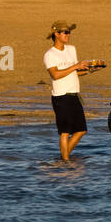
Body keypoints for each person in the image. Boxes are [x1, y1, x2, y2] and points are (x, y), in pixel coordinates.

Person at [44, 20, 102, 160]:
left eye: (69, 32)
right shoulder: (50, 54)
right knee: (65, 132)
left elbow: (74, 72)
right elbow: (55, 75)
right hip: (60, 96)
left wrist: (90, 71)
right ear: (56, 34)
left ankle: (64, 158)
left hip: (74, 94)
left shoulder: (71, 49)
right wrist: (75, 66)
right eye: (65, 32)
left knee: (81, 130)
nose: (68, 35)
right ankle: (65, 161)